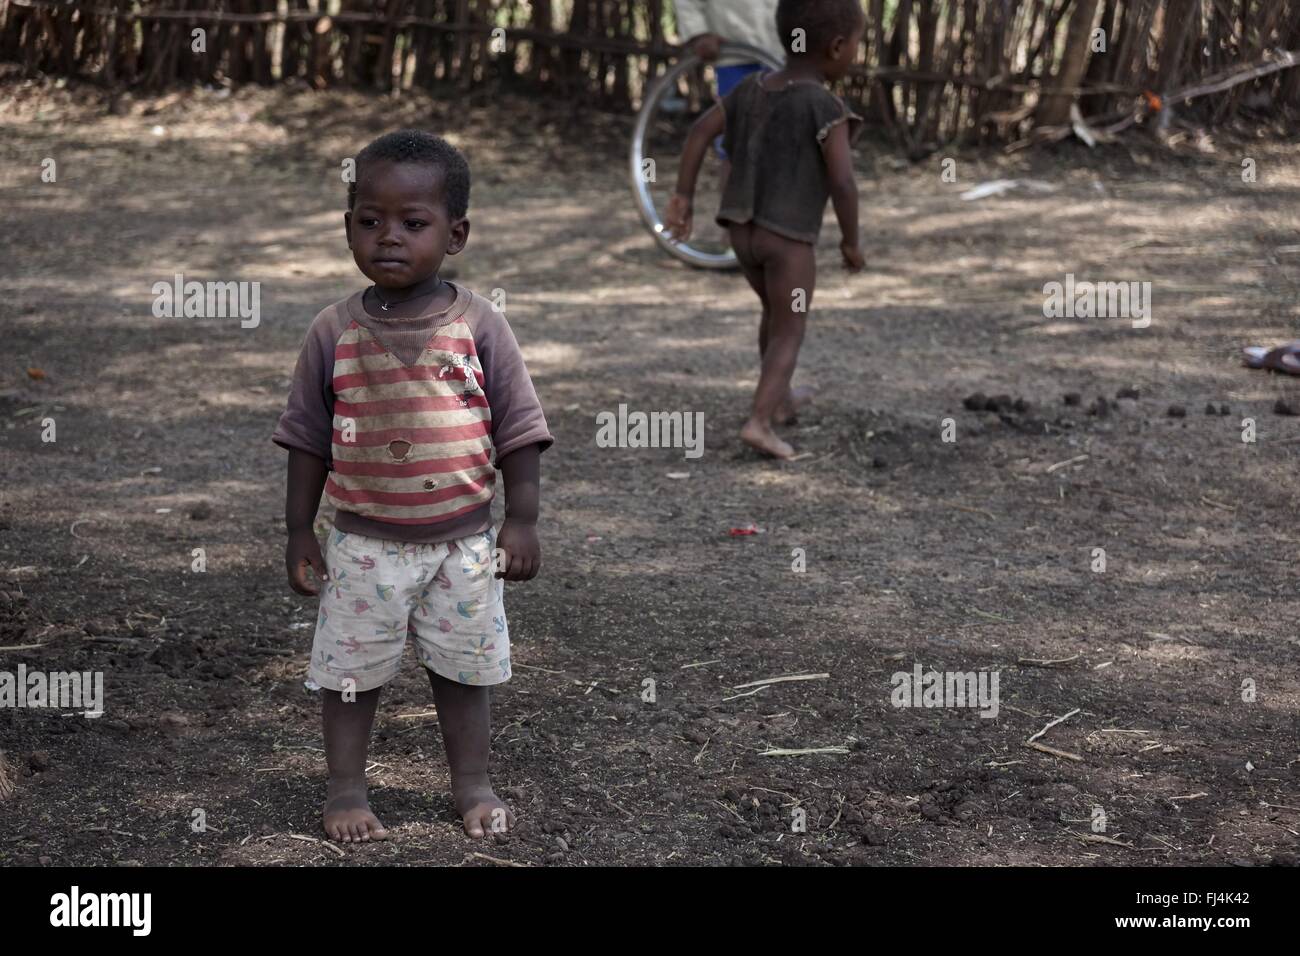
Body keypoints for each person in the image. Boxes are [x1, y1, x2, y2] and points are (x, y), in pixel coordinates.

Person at [273, 130, 553, 842]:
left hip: (463, 544)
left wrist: (522, 520)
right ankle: (344, 791)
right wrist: (298, 528)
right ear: (348, 228)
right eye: (369, 221)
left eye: (413, 223)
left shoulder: (481, 326)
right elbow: (306, 440)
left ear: (455, 234)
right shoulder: (332, 331)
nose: (388, 237)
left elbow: (519, 430)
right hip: (362, 545)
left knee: (464, 673)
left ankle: (472, 785)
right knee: (351, 674)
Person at [666, 0, 866, 460]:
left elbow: (699, 133)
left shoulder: (750, 88)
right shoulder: (826, 106)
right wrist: (852, 243)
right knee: (790, 330)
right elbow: (843, 182)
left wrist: (683, 198)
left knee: (774, 316)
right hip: (788, 240)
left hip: (743, 235)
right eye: (857, 44)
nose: (857, 53)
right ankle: (758, 422)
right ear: (837, 47)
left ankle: (780, 400)